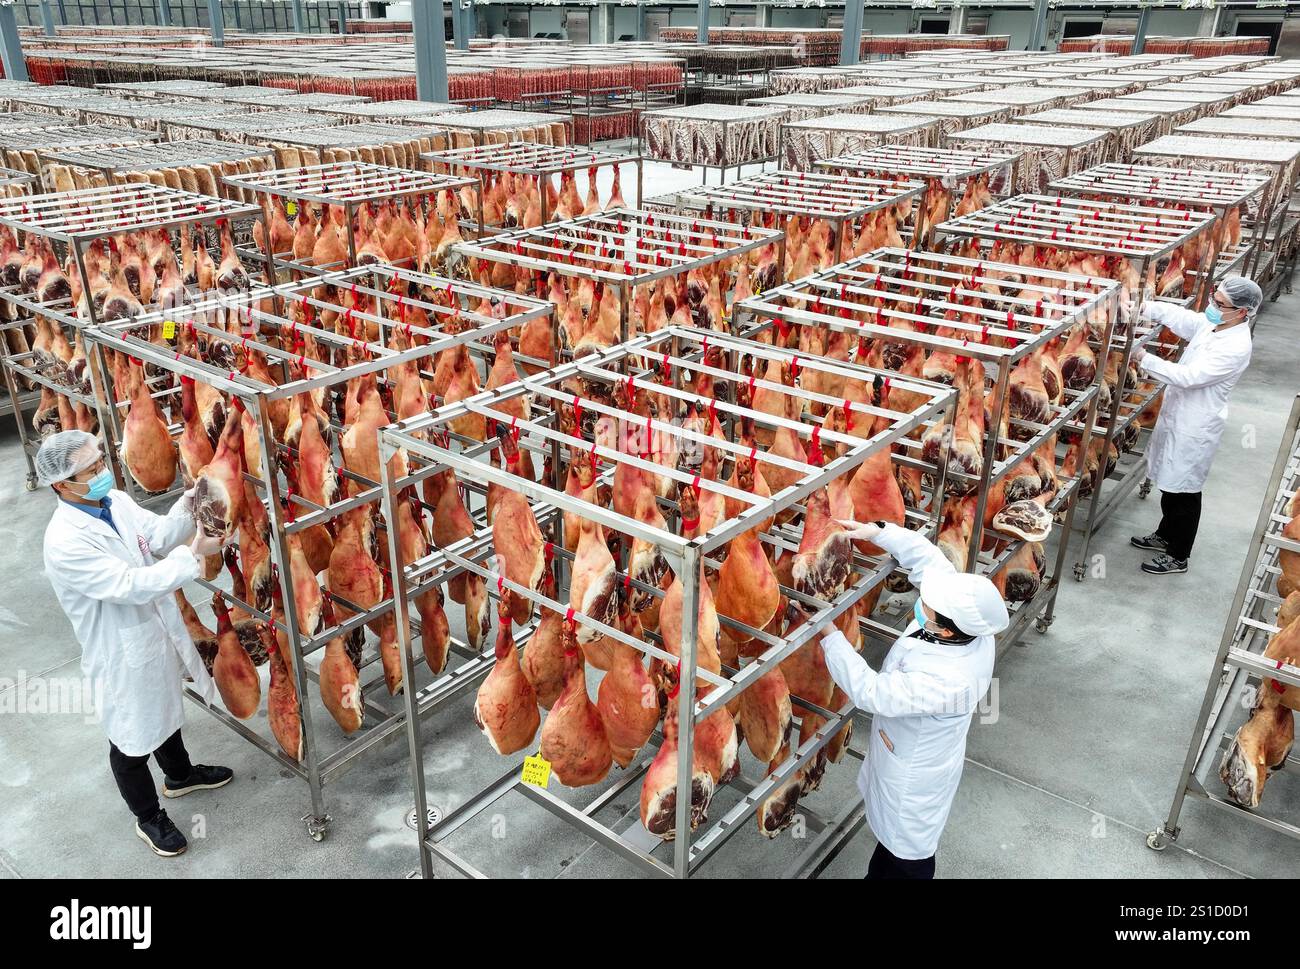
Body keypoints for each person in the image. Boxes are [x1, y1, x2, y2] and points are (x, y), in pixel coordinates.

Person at [37, 430, 233, 858]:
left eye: (101, 464)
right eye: (91, 472)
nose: (103, 474)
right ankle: (148, 817)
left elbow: (158, 537)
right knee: (130, 734)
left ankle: (180, 775)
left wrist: (190, 502)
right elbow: (128, 585)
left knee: (163, 703)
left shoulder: (116, 503)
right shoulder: (65, 541)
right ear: (61, 484)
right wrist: (194, 554)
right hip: (117, 648)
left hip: (150, 629)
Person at [819, 520, 1009, 880]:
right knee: (890, 849)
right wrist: (879, 532)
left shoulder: (952, 679)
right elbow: (931, 562)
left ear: (946, 628)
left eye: (929, 608)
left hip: (914, 777)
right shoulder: (968, 630)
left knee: (907, 858)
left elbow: (870, 691)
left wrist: (828, 634)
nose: (921, 603)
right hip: (906, 750)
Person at [1129, 276, 1259, 575]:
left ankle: (1178, 555)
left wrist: (1143, 358)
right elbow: (1183, 318)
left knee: (1185, 491)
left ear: (1241, 312)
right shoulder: (1215, 325)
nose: (1213, 305)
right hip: (1180, 415)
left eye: (1220, 303)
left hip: (1196, 423)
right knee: (1169, 486)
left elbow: (1189, 377)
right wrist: (1142, 307)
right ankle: (1164, 535)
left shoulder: (1236, 346)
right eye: (1214, 297)